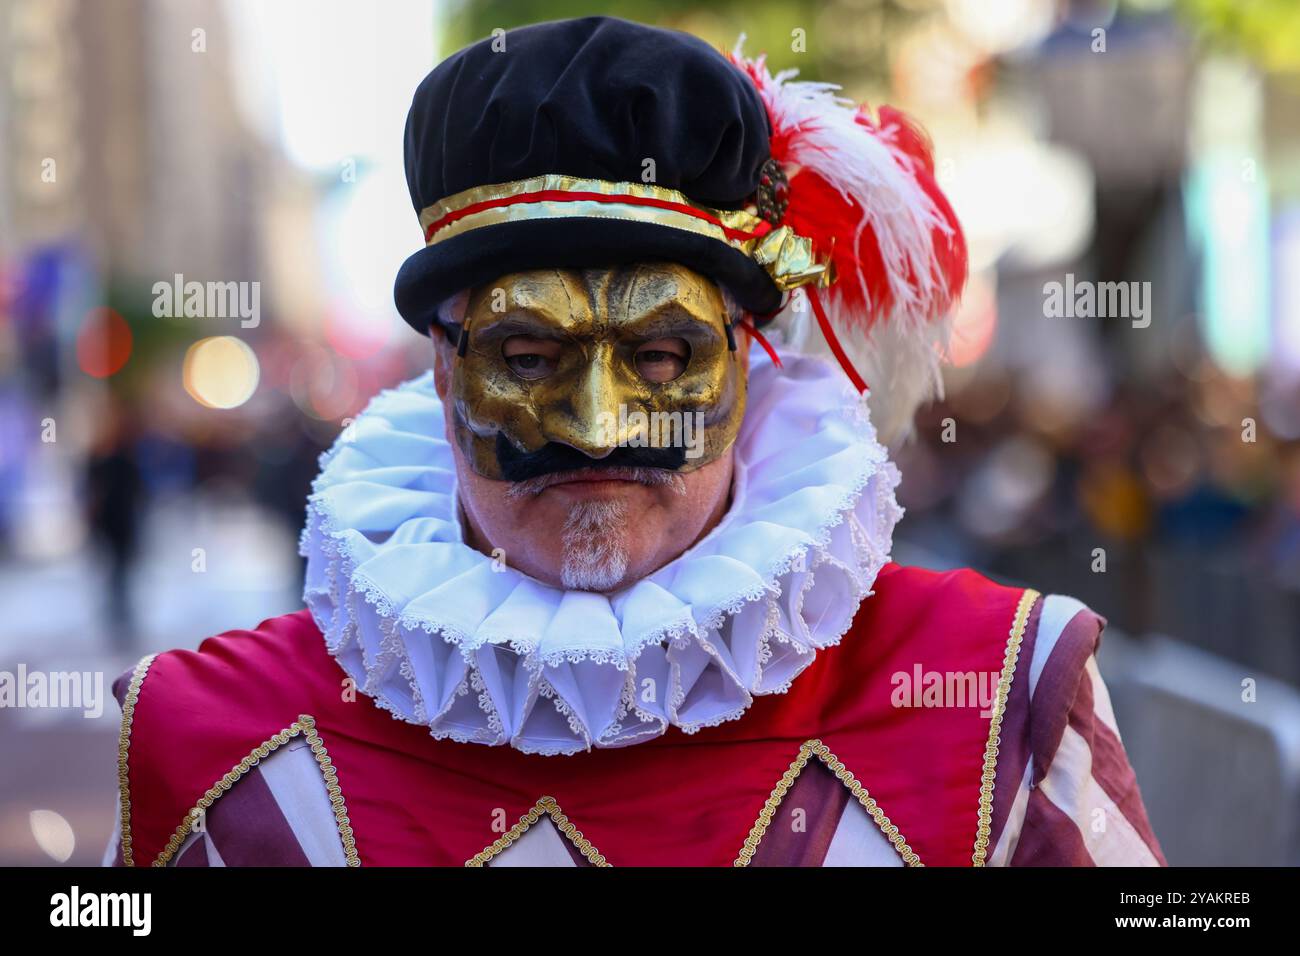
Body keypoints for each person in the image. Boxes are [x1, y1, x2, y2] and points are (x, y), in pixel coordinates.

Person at [104, 16, 1164, 867]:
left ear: (748, 363)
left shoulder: (999, 693)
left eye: (661, 354)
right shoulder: (211, 743)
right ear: (440, 368)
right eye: (525, 354)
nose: (596, 424)